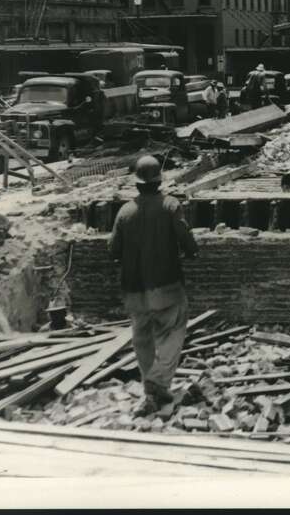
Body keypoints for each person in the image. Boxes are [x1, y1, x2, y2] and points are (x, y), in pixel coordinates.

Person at [108, 155, 199, 417]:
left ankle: (150, 391)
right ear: (159, 181)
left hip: (134, 290)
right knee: (174, 329)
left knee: (142, 338)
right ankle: (157, 381)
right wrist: (192, 251)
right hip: (167, 286)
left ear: (136, 184)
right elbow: (185, 238)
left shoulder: (124, 212)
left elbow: (113, 251)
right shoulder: (171, 205)